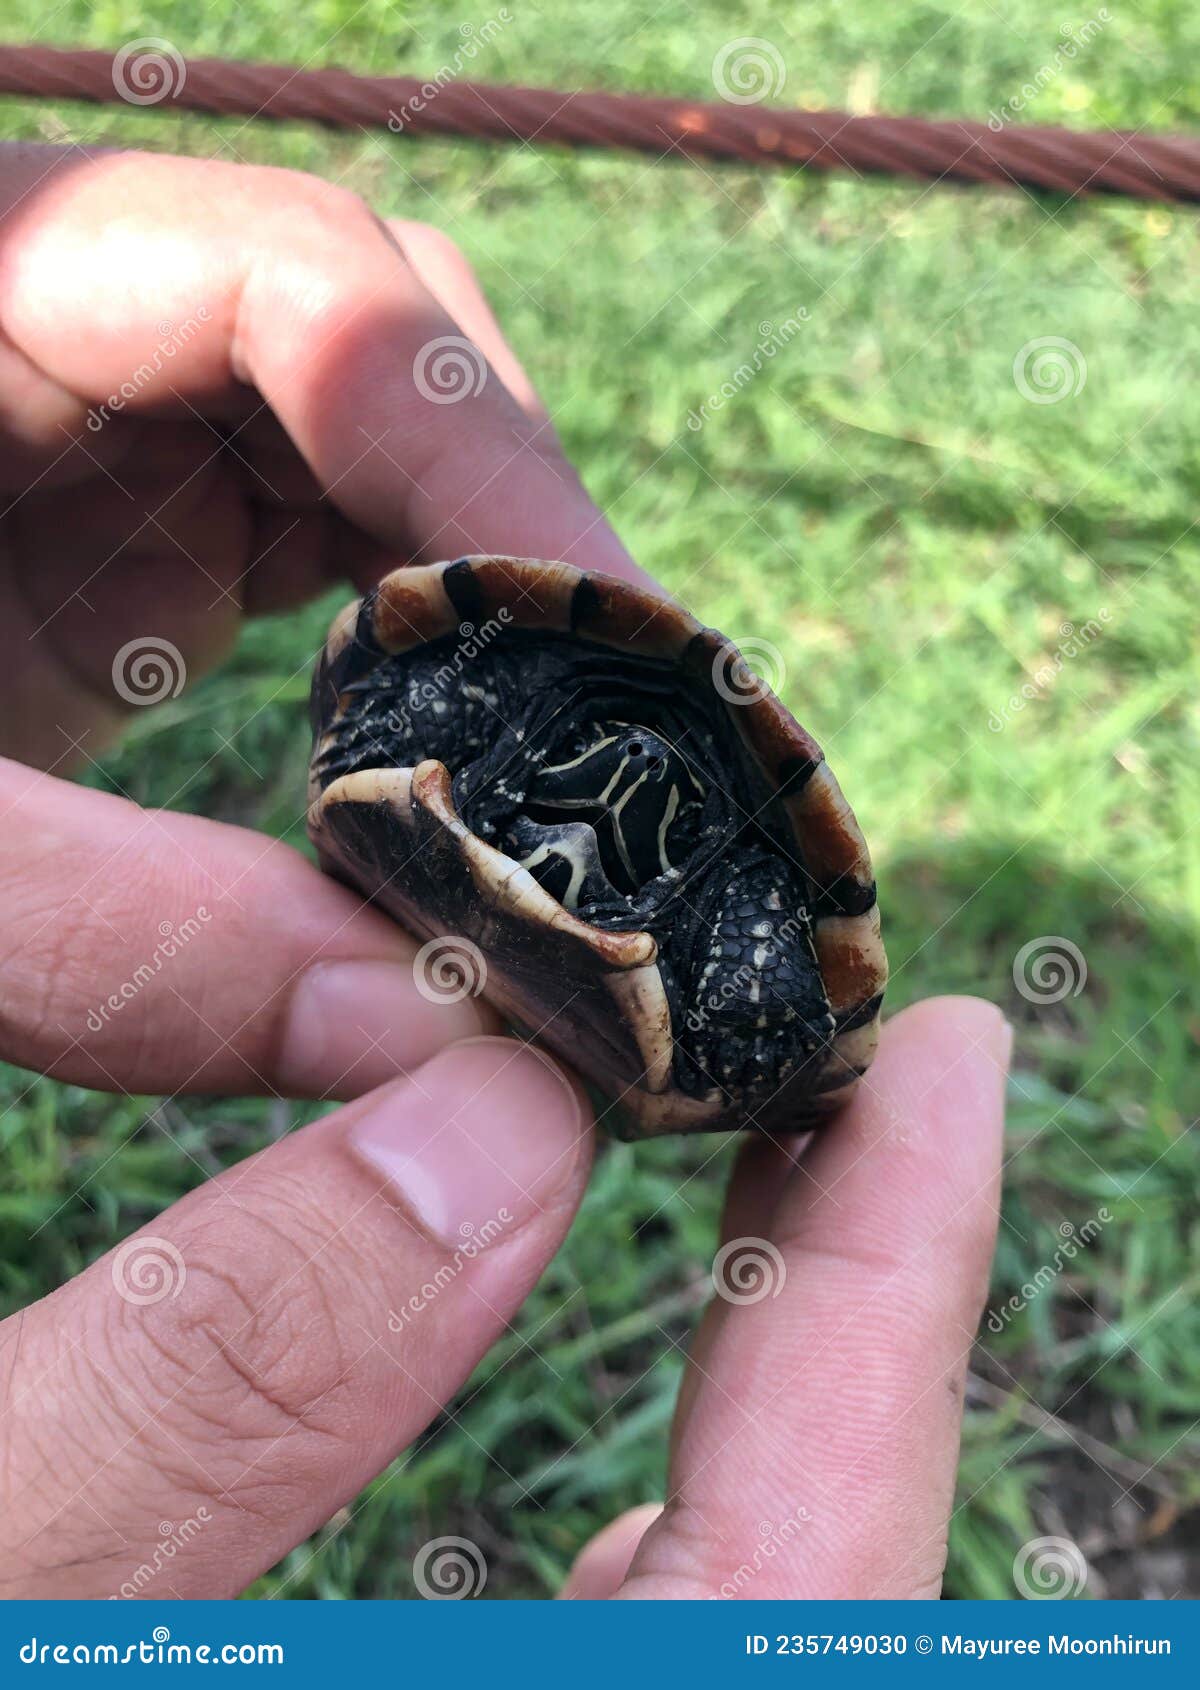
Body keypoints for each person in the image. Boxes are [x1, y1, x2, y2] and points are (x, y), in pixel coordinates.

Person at [0, 148, 1009, 1600]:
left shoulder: (732, 896)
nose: (631, 781)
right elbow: (388, 687)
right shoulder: (493, 686)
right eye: (611, 749)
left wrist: (763, 1033)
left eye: (667, 784)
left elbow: (799, 1031)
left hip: (616, 959)